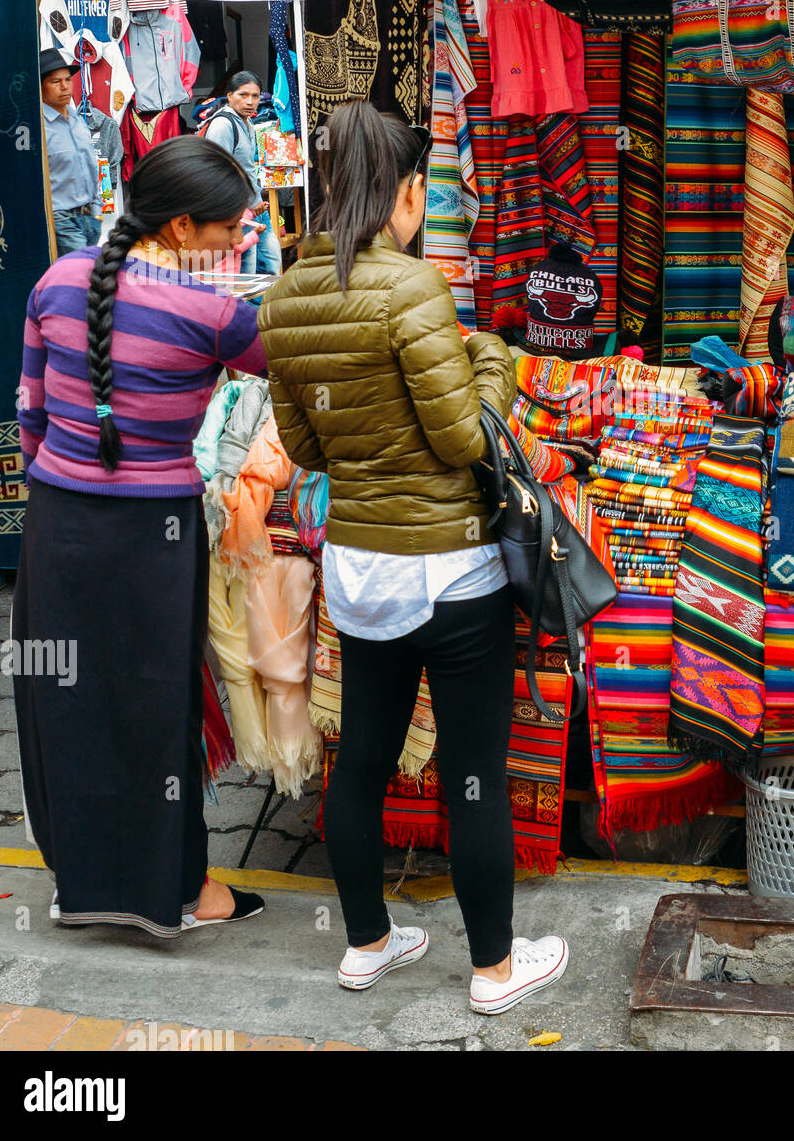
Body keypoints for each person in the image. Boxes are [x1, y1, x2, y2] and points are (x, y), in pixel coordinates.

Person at [258, 100, 568, 1013]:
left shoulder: (285, 297)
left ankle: (366, 945)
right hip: (449, 573)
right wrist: (493, 361)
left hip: (360, 571)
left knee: (361, 758)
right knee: (474, 765)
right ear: (404, 193)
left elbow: (307, 453)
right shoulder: (413, 289)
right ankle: (495, 970)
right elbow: (465, 437)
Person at [14, 137, 269, 937]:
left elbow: (30, 416)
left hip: (55, 527)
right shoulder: (218, 313)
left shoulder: (56, 281)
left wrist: (68, 479)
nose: (241, 239)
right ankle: (183, 892)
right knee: (156, 711)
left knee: (67, 703)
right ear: (185, 226)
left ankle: (78, 885)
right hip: (155, 538)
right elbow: (290, 366)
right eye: (232, 229)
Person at [203, 70, 282, 277]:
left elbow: (245, 167)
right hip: (237, 211)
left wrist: (257, 198)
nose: (250, 101)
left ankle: (263, 309)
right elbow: (219, 170)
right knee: (247, 271)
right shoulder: (223, 125)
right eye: (243, 95)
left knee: (270, 263)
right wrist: (248, 201)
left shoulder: (247, 123)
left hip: (254, 207)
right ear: (229, 96)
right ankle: (249, 310)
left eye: (255, 96)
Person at [40, 48, 103, 254]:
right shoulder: (40, 128)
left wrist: (97, 207)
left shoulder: (76, 119)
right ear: (41, 86)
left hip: (89, 216)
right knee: (82, 277)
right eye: (55, 82)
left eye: (68, 80)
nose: (65, 86)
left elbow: (89, 165)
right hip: (61, 219)